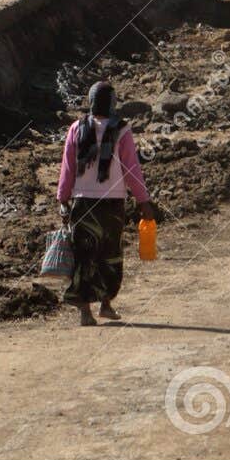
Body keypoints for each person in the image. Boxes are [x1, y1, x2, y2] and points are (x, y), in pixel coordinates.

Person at [56, 81, 156, 327]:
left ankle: (85, 312)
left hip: (82, 204)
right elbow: (132, 169)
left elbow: (68, 168)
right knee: (109, 255)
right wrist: (143, 201)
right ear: (112, 103)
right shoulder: (121, 130)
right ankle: (106, 304)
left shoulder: (76, 128)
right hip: (112, 204)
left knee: (84, 257)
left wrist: (63, 199)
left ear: (91, 102)